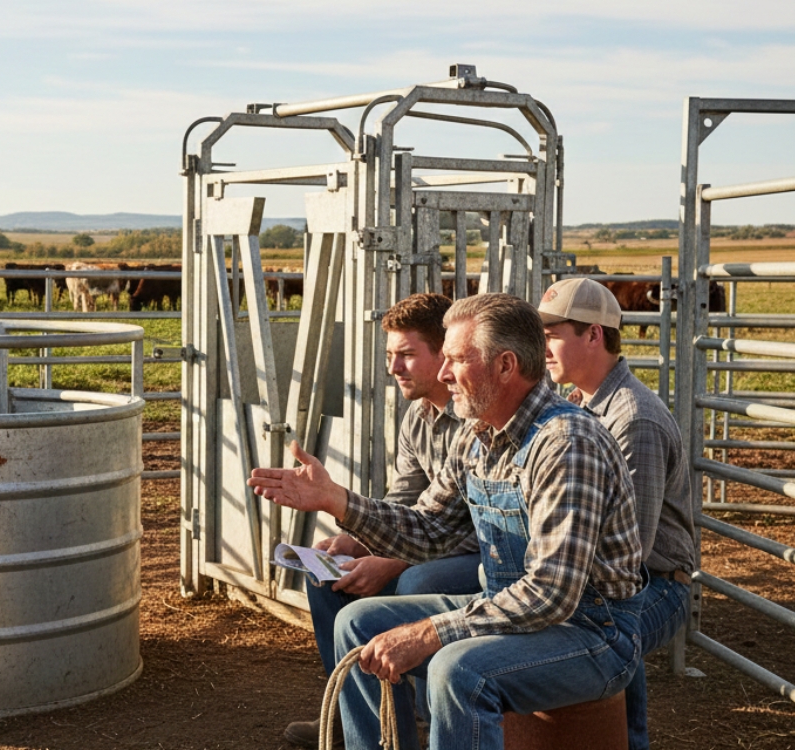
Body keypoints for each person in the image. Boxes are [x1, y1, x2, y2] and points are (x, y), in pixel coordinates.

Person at [249, 293, 645, 750]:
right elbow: (428, 529)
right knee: (356, 624)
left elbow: (551, 594)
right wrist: (338, 501)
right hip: (511, 609)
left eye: (456, 358)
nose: (442, 373)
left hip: (592, 633)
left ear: (505, 366)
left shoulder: (566, 444)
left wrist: (431, 631)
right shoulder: (477, 435)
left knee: (457, 669)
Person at [284, 294, 482, 748]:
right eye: (390, 355)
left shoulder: (473, 418)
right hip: (430, 540)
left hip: (475, 553)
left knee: (416, 581)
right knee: (326, 574)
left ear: (443, 354)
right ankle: (360, 718)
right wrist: (354, 542)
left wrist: (390, 562)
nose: (394, 368)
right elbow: (404, 499)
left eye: (408, 354)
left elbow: (466, 525)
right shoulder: (418, 416)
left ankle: (428, 719)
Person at [538, 277, 694, 750]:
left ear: (593, 335)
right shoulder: (577, 403)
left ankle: (628, 740)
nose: (542, 348)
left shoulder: (633, 420)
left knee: (597, 625)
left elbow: (634, 554)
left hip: (660, 584)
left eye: (553, 334)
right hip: (622, 575)